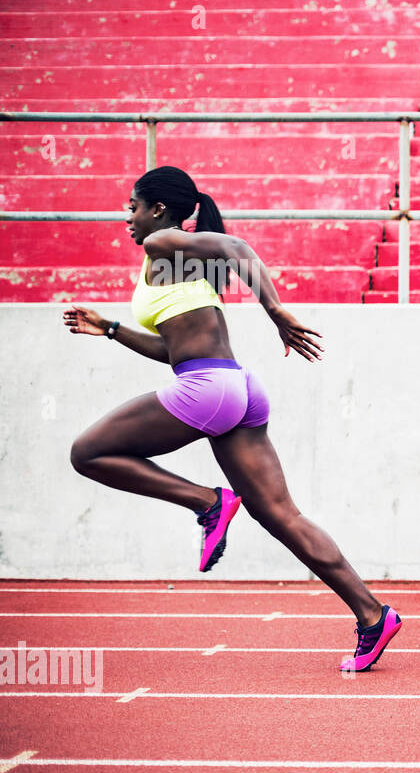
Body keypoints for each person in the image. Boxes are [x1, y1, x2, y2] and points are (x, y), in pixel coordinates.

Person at [62, 165, 401, 672]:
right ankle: (373, 614)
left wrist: (276, 310)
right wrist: (110, 329)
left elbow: (239, 250)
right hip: (238, 388)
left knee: (86, 453)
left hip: (208, 390)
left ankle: (208, 502)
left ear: (158, 209)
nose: (126, 218)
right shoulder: (181, 261)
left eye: (132, 206)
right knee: (282, 516)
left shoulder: (164, 243)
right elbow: (172, 349)